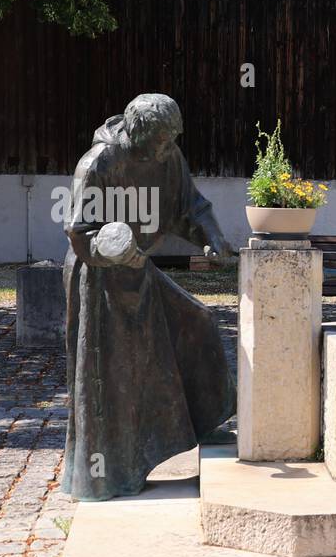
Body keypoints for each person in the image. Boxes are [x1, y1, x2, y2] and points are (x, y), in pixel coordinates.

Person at [61, 93, 235, 501]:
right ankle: (109, 475)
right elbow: (80, 231)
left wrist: (212, 237)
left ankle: (204, 419)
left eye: (171, 139)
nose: (166, 147)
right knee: (115, 372)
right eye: (160, 140)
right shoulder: (99, 163)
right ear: (138, 133)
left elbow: (190, 205)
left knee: (197, 322)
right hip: (99, 277)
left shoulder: (169, 157)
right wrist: (114, 249)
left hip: (140, 270)